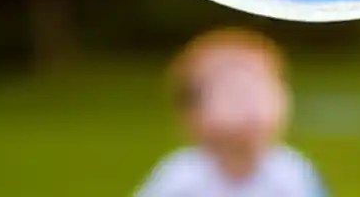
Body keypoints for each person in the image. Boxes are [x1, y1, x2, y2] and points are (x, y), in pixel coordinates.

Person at [135, 28, 327, 196]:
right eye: (235, 92)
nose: (253, 103)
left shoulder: (292, 172)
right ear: (195, 113)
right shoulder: (181, 175)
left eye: (263, 89)